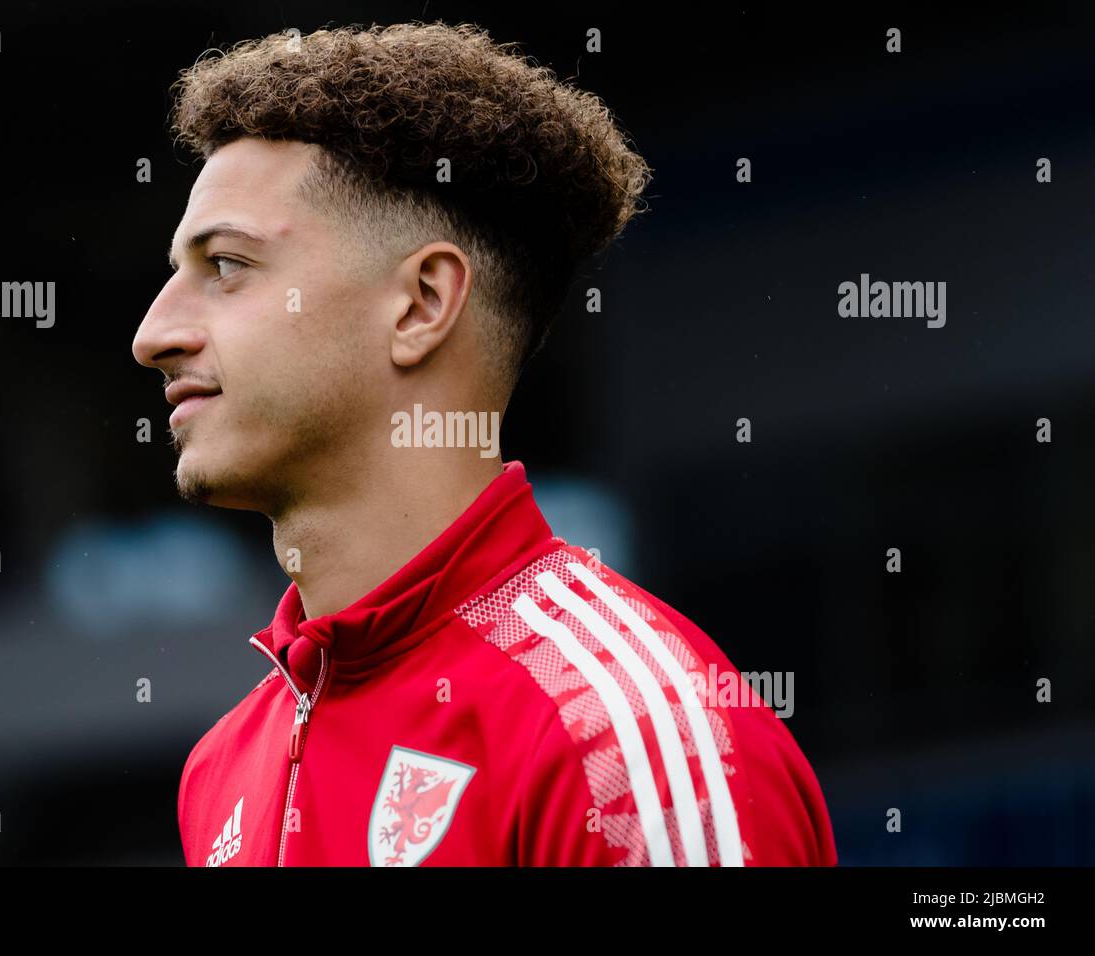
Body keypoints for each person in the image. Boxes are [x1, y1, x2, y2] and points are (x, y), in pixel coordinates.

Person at [131, 21, 837, 866]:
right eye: (176, 271)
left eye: (229, 265)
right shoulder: (222, 767)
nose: (153, 333)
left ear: (422, 304)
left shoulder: (625, 736)